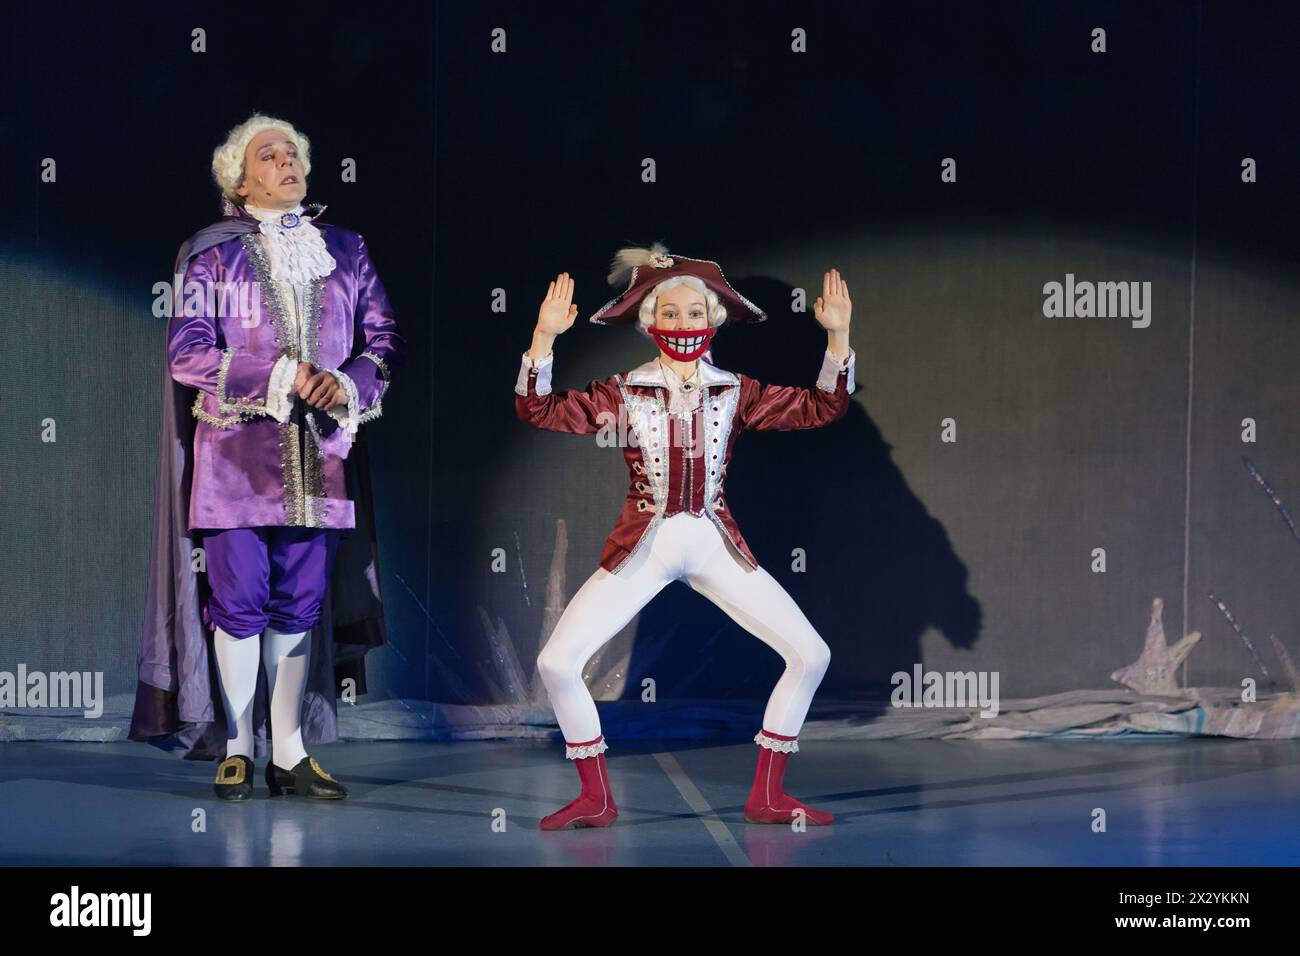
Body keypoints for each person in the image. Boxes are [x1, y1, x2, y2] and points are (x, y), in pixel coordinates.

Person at [515, 244, 855, 828]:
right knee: (557, 662)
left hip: (714, 542)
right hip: (643, 548)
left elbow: (824, 406)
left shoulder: (737, 390)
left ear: (713, 319)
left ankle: (768, 796)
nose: (682, 323)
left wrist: (838, 336)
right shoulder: (623, 391)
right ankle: (596, 797)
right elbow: (539, 409)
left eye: (694, 312)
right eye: (669, 313)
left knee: (811, 654)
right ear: (650, 323)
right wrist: (543, 339)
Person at [130, 114, 406, 801]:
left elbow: (383, 339)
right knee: (240, 601)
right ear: (241, 180)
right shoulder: (211, 254)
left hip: (322, 460)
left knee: (299, 604)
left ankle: (289, 752)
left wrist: (346, 382)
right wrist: (281, 376)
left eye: (293, 153)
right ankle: (237, 747)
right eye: (269, 155)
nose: (287, 162)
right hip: (235, 462)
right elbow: (188, 352)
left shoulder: (345, 248)